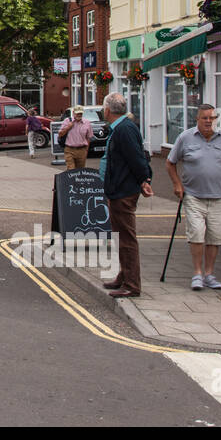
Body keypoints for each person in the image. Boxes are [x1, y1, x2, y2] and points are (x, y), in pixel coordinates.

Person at [166, 103, 221, 290]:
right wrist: (177, 184)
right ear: (198, 119)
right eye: (205, 118)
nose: (208, 121)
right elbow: (170, 163)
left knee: (215, 237)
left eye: (212, 118)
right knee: (196, 234)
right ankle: (197, 273)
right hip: (193, 195)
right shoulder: (185, 138)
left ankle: (209, 274)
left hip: (218, 196)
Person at [100, 93, 154, 298]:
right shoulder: (123, 128)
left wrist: (145, 181)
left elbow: (137, 159)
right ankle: (123, 276)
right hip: (118, 189)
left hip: (123, 191)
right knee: (120, 237)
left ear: (107, 110)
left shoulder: (124, 130)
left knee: (126, 239)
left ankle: (132, 285)